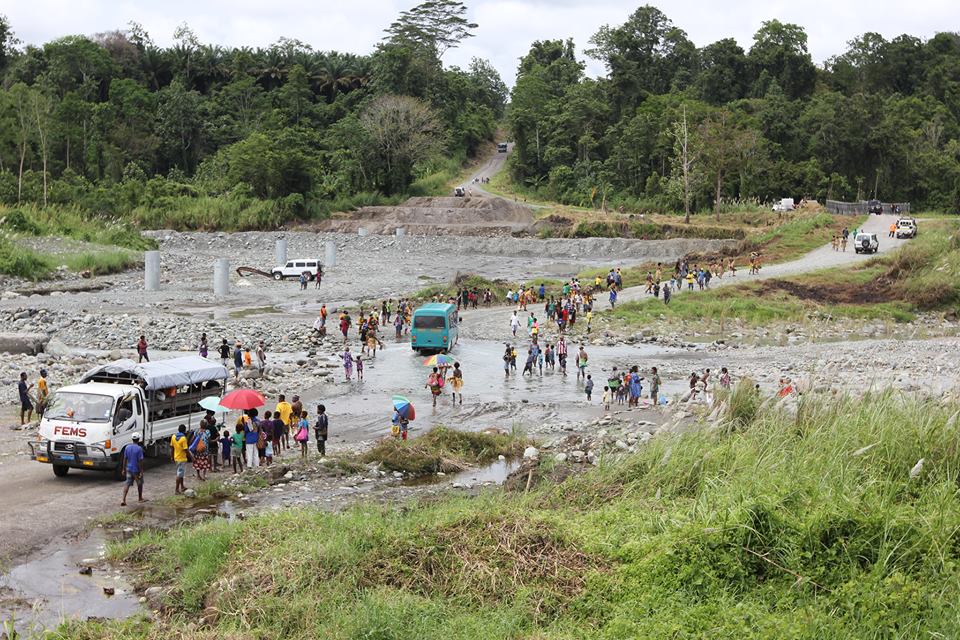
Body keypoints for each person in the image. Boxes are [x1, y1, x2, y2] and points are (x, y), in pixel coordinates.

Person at [120, 434, 146, 506]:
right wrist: (141, 471)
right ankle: (140, 498)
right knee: (139, 483)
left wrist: (123, 469)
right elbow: (140, 461)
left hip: (129, 468)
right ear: (138, 439)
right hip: (136, 470)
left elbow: (125, 459)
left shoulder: (127, 447)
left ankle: (123, 499)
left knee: (127, 484)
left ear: (132, 439)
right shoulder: (139, 449)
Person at [171, 425, 190, 493]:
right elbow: (186, 449)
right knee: (179, 474)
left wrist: (172, 456)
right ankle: (176, 490)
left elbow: (172, 448)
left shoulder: (173, 436)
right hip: (182, 458)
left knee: (181, 473)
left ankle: (182, 486)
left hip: (176, 458)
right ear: (184, 431)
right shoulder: (183, 438)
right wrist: (192, 457)